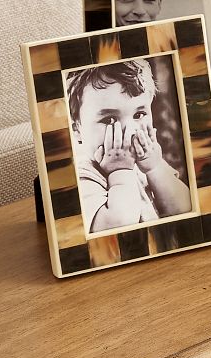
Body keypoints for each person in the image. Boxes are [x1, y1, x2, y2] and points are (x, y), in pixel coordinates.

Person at [67, 60, 192, 235]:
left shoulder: (145, 163)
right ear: (77, 130)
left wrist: (155, 168)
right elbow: (117, 227)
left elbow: (184, 208)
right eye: (109, 119)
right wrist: (119, 172)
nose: (130, 131)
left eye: (139, 114)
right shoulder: (83, 177)